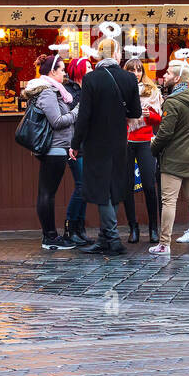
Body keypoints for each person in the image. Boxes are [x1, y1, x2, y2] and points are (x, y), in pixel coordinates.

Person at [70, 37, 142, 256]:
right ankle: (104, 238)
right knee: (113, 187)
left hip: (96, 142)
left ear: (99, 55)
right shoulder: (129, 78)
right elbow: (136, 113)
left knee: (102, 190)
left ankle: (112, 239)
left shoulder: (91, 79)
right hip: (120, 141)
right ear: (118, 54)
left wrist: (75, 143)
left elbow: (84, 116)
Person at [148, 60, 189, 256]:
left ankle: (164, 244)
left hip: (173, 160)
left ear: (176, 78)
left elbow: (165, 134)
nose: (164, 76)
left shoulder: (173, 102)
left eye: (167, 73)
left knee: (169, 201)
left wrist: (153, 146)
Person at [22, 53, 79, 251]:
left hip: (56, 148)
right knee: (47, 193)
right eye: (62, 70)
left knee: (47, 193)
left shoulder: (52, 91)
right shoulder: (47, 93)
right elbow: (57, 122)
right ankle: (50, 237)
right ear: (52, 71)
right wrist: (75, 112)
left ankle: (50, 235)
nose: (64, 73)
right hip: (53, 148)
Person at [122, 55, 162, 244]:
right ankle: (133, 228)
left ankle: (154, 228)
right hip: (127, 141)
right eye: (132, 70)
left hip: (145, 140)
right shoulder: (120, 91)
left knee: (149, 185)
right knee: (127, 186)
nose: (136, 73)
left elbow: (159, 119)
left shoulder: (151, 90)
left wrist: (150, 114)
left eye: (139, 70)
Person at [62, 56, 92, 246]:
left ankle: (80, 229)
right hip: (74, 145)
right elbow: (74, 117)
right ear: (79, 69)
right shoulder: (70, 91)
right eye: (88, 66)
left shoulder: (86, 90)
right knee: (81, 186)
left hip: (86, 144)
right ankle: (70, 228)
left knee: (85, 187)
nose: (91, 68)